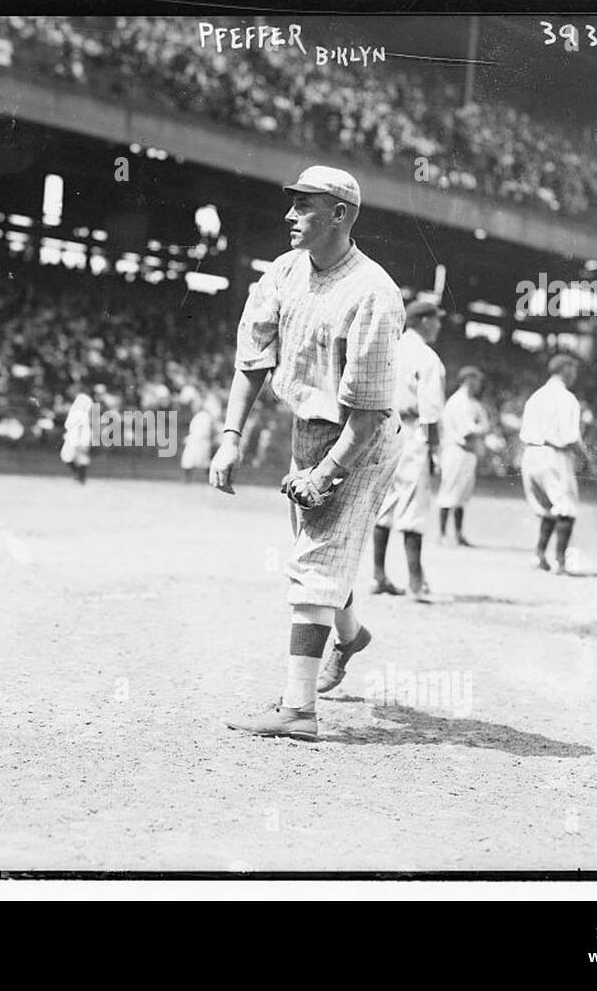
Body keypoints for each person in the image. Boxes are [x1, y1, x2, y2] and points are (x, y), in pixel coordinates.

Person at [211, 165, 405, 741]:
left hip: (361, 440)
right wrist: (230, 438)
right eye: (290, 203)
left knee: (315, 563)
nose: (289, 216)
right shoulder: (284, 271)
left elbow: (368, 413)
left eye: (305, 206)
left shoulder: (374, 292)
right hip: (309, 426)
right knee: (319, 551)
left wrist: (327, 472)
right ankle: (351, 637)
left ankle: (297, 710)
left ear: (340, 214)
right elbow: (252, 361)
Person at [371, 298, 446, 601]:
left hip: (383, 430)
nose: (439, 325)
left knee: (385, 505)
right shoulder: (427, 357)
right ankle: (416, 584)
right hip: (414, 432)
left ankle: (379, 575)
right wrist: (435, 451)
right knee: (413, 507)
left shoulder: (390, 348)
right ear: (424, 321)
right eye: (436, 319)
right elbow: (430, 412)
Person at [519, 354, 592, 574]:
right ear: (566, 370)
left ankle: (539, 556)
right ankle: (561, 562)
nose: (575, 375)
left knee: (546, 508)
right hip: (554, 455)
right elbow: (570, 437)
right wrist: (586, 458)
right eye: (574, 370)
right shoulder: (566, 398)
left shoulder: (536, 396)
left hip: (531, 454)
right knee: (566, 508)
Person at [436, 366, 489, 546]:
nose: (478, 385)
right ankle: (442, 535)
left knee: (462, 495)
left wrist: (479, 428)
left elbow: (485, 425)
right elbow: (469, 430)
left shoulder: (473, 402)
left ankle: (458, 534)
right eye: (475, 380)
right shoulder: (458, 402)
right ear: (467, 380)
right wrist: (479, 428)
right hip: (455, 450)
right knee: (449, 492)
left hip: (468, 453)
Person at [180, 394, 218, 483]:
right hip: (195, 441)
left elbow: (203, 432)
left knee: (204, 463)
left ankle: (213, 481)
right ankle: (187, 481)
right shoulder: (198, 416)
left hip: (201, 442)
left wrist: (190, 438)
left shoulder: (204, 416)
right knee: (188, 461)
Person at [60, 386, 94, 484]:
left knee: (79, 455)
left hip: (81, 432)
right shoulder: (78, 400)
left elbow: (81, 420)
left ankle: (81, 477)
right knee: (67, 455)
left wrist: (79, 437)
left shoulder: (82, 399)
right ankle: (80, 476)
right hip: (77, 431)